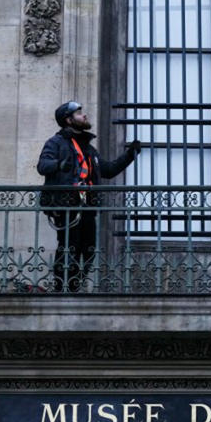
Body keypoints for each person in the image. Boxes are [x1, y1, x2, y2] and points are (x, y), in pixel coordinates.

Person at [37, 101, 141, 292]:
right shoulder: (56, 142)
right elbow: (42, 166)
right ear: (68, 120)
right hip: (66, 205)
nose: (84, 116)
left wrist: (130, 155)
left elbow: (108, 170)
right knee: (69, 247)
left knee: (89, 250)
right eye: (78, 114)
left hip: (87, 206)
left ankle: (75, 285)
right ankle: (62, 288)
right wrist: (59, 165)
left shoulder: (88, 148)